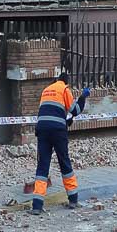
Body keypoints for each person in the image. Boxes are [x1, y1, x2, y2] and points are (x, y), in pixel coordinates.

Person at [30, 72, 90, 215]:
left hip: (42, 130)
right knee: (64, 162)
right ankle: (73, 199)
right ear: (66, 82)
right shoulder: (64, 89)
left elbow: (50, 112)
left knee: (43, 165)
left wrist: (65, 121)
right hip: (57, 131)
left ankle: (37, 205)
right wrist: (83, 97)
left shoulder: (46, 90)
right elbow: (74, 110)